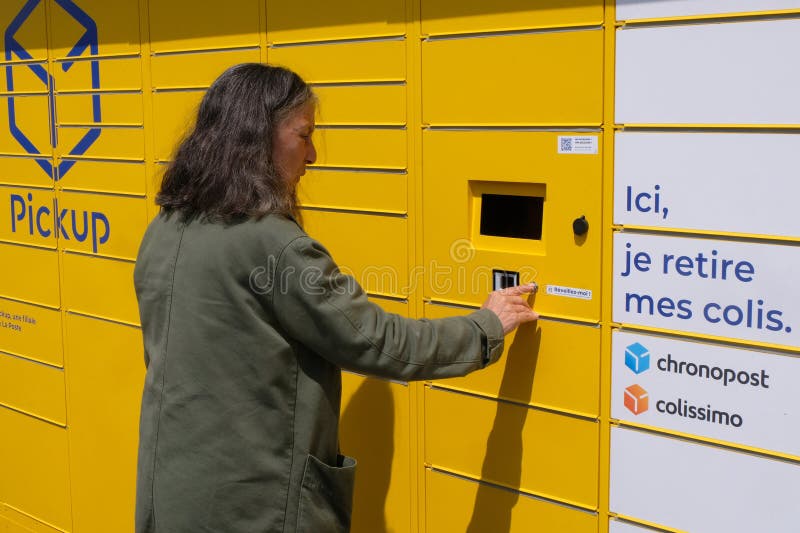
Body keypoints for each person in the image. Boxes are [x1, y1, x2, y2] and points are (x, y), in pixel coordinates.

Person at [133, 63, 538, 533]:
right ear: (257, 137)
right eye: (303, 135)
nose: (313, 155)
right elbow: (377, 342)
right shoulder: (271, 244)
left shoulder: (163, 230)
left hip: (174, 493)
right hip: (253, 505)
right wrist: (485, 327)